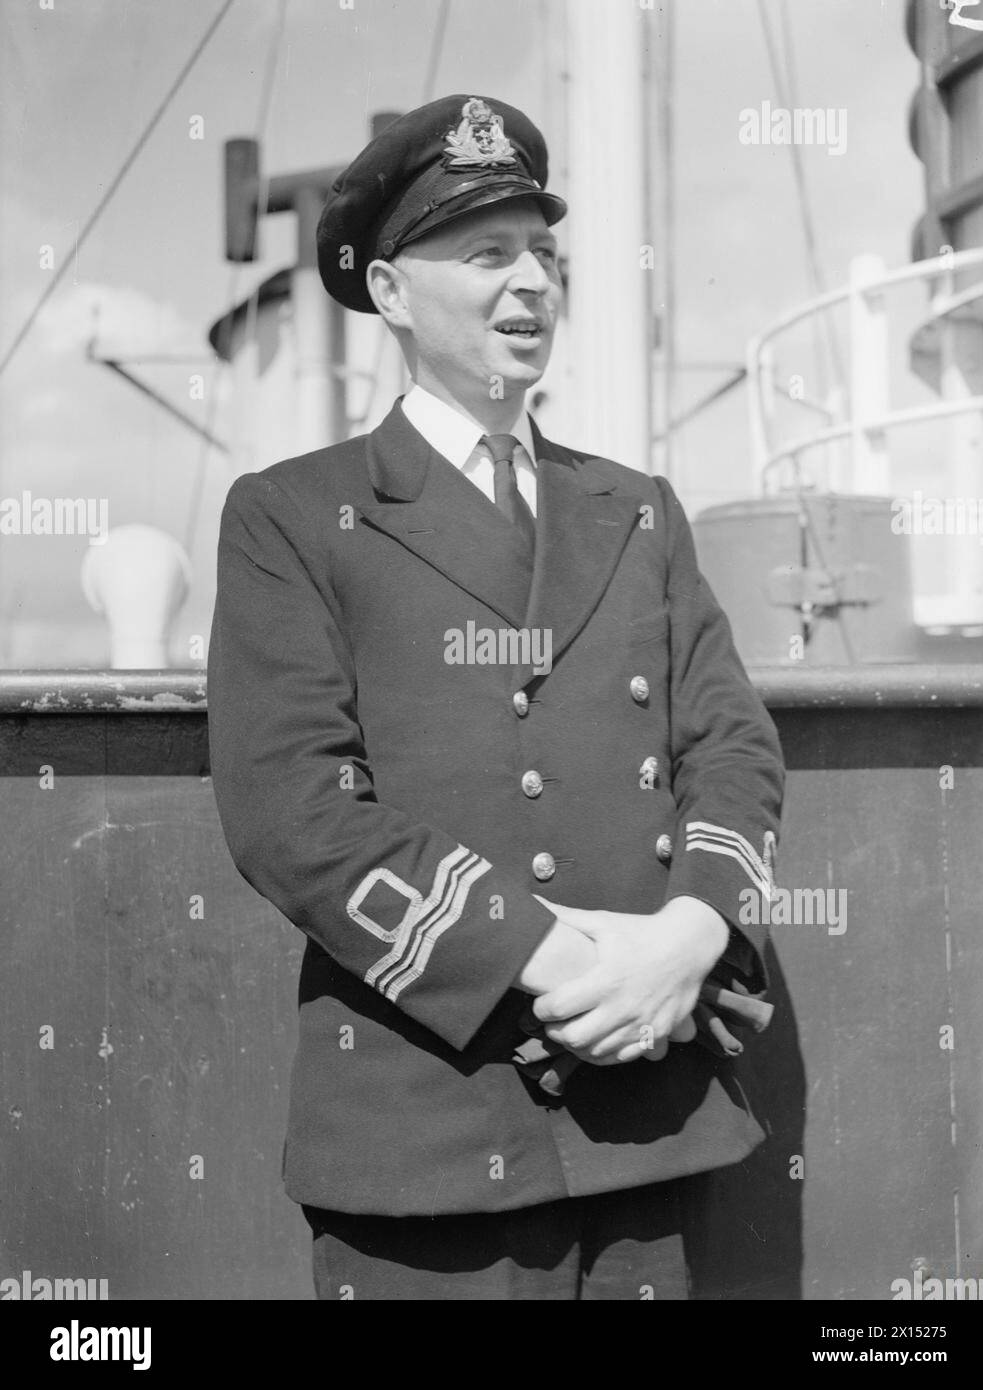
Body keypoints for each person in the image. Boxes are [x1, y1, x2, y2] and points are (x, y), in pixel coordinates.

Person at [207, 94, 785, 1301]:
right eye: (485, 253)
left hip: (653, 1113)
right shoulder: (296, 515)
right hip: (429, 1139)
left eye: (545, 254)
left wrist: (687, 940)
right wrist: (563, 957)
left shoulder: (633, 508)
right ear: (391, 291)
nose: (531, 283)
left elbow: (730, 744)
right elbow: (294, 813)